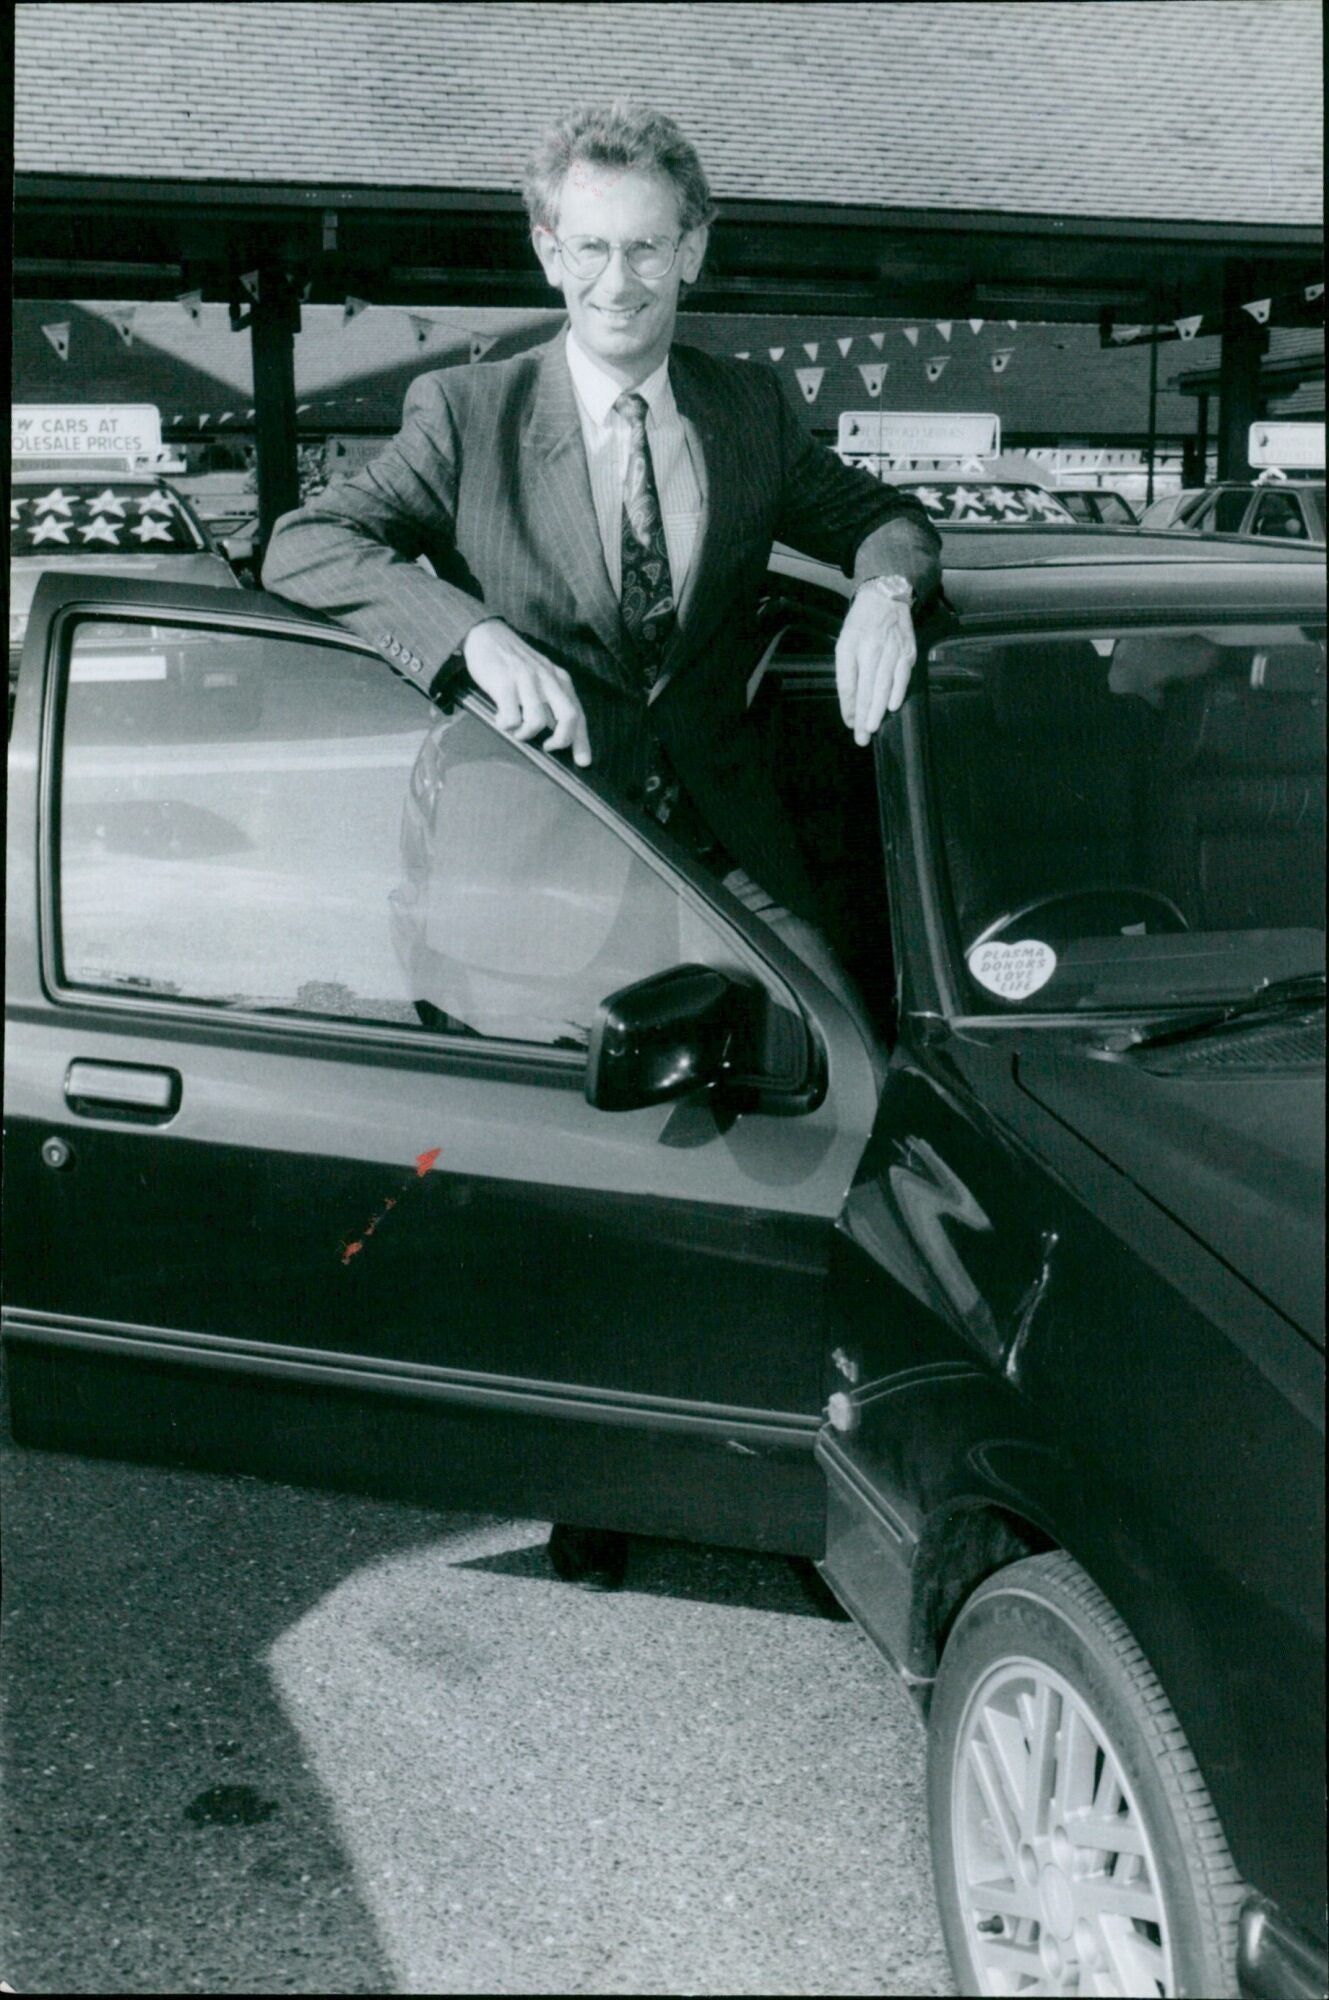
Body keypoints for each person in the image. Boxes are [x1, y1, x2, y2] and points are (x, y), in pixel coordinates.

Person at [262, 100, 943, 1591]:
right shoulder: (470, 410)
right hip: (539, 849)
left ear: (692, 249)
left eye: (647, 249)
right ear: (544, 247)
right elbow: (305, 545)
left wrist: (885, 589)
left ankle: (832, 1437)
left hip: (720, 840)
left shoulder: (748, 407)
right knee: (564, 1165)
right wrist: (469, 633)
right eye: (589, 248)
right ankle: (580, 1461)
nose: (618, 282)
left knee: (846, 1096)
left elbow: (884, 513)